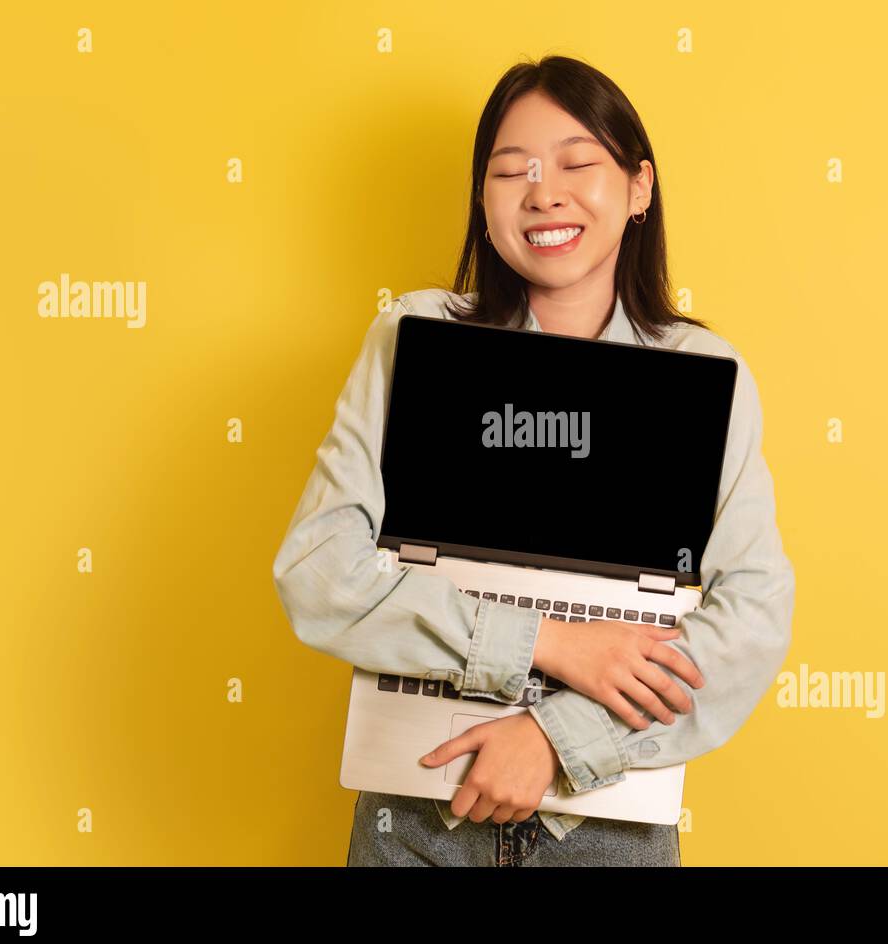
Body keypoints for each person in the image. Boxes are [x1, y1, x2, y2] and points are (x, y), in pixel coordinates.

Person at [272, 55, 796, 867]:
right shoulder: (413, 337)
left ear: (639, 188)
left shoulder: (702, 372)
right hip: (413, 825)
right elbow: (318, 570)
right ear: (484, 205)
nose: (544, 192)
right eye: (512, 170)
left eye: (578, 163)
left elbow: (752, 620)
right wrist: (546, 641)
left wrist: (557, 737)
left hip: (609, 829)